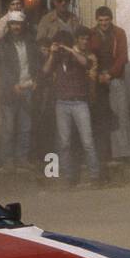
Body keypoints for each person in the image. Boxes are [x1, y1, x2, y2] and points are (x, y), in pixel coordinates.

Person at [42, 30, 101, 186]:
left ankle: (95, 176)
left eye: (64, 44)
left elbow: (86, 63)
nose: (61, 47)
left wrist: (69, 50)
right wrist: (52, 54)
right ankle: (68, 177)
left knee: (87, 141)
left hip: (80, 103)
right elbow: (45, 71)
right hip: (62, 104)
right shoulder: (55, 58)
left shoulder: (77, 56)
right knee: (64, 142)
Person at [86, 5, 130, 162]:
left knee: (119, 113)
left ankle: (122, 153)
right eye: (101, 20)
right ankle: (102, 153)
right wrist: (97, 75)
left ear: (111, 19)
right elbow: (89, 54)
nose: (104, 23)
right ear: (96, 20)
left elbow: (122, 57)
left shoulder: (119, 33)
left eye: (106, 20)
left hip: (114, 76)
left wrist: (110, 74)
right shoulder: (91, 33)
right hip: (96, 77)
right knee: (99, 115)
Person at [0, 10, 37, 171]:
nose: (16, 27)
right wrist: (12, 84)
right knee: (9, 126)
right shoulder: (2, 43)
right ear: (9, 25)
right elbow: (2, 67)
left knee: (26, 126)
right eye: (13, 24)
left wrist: (36, 80)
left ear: (23, 25)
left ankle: (22, 158)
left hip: (27, 87)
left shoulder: (30, 42)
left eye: (18, 24)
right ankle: (7, 160)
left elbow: (35, 63)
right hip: (10, 90)